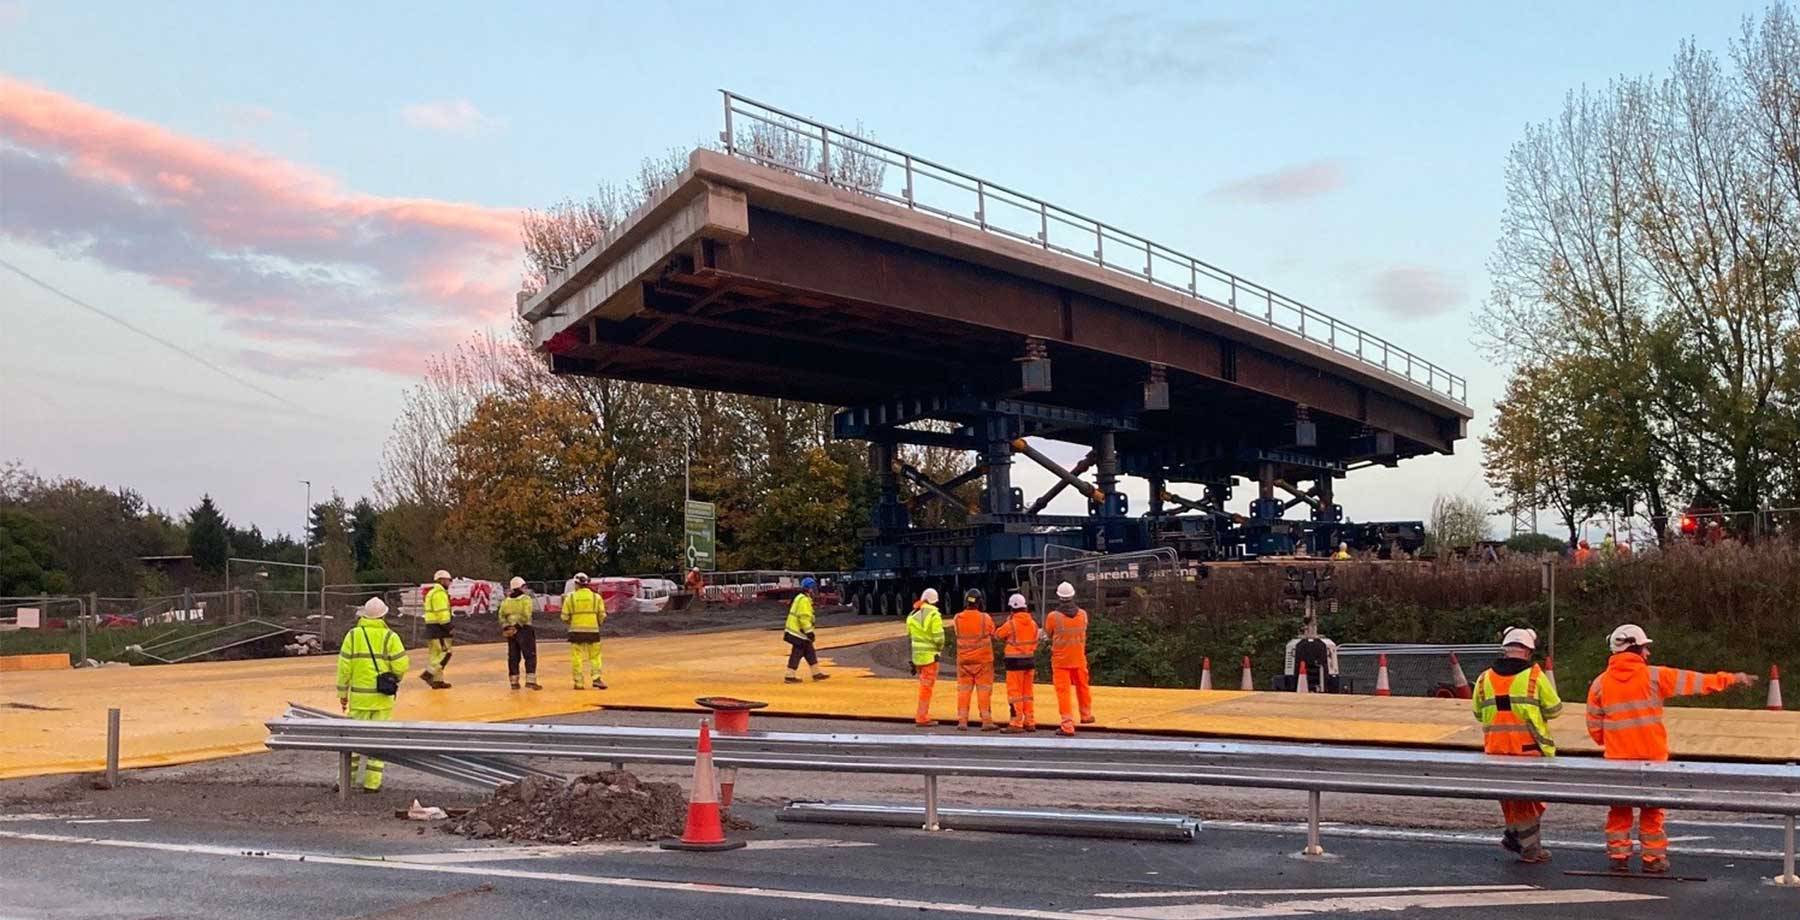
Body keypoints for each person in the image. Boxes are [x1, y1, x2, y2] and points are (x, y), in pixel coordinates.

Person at [1586, 624, 1756, 873]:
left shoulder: (1600, 683)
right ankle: (1653, 860)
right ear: (1635, 647)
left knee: (1619, 811)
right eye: (1645, 648)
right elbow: (1696, 681)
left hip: (1618, 760)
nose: (1648, 653)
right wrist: (1730, 679)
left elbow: (1593, 724)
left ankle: (1618, 857)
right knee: (1652, 811)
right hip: (1653, 759)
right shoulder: (1655, 676)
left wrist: (1609, 741)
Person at [1471, 627, 1562, 863]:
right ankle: (1529, 849)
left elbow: (1478, 713)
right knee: (1529, 803)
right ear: (1528, 651)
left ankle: (1516, 837)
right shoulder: (1533, 676)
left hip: (1496, 751)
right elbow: (1554, 709)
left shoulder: (1484, 679)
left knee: (1511, 802)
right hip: (1528, 750)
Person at [335, 597, 407, 793]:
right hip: (382, 699)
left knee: (353, 741)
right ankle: (372, 784)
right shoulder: (390, 637)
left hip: (359, 699)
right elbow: (401, 665)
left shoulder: (353, 636)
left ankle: (345, 780)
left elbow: (344, 667)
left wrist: (343, 693)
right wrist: (394, 678)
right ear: (384, 615)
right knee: (378, 742)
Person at [1043, 581, 1094, 737]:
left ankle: (1067, 725)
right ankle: (1086, 715)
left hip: (1061, 662)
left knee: (1063, 693)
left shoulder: (1053, 617)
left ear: (1059, 597)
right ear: (1072, 595)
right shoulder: (1083, 615)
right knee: (1083, 687)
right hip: (1079, 658)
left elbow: (1048, 634)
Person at [951, 588, 998, 731]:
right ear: (980, 603)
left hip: (964, 662)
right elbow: (993, 632)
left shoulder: (957, 618)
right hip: (983, 662)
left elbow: (957, 632)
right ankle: (986, 721)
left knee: (964, 691)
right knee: (984, 691)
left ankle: (962, 721)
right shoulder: (985, 618)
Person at [995, 592, 1040, 733]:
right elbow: (1035, 642)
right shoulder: (1033, 624)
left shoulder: (1011, 624)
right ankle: (1030, 721)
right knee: (1027, 693)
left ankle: (1016, 722)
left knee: (1015, 694)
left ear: (1012, 608)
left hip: (1014, 663)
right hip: (1029, 661)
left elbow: (997, 635)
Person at [561, 573, 607, 690]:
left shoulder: (570, 598)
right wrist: (597, 623)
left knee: (577, 657)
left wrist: (572, 622)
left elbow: (564, 617)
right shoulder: (596, 597)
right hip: (593, 632)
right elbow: (602, 615)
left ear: (576, 584)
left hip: (576, 632)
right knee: (595, 657)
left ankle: (579, 683)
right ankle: (596, 679)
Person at [907, 588, 945, 727]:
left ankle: (922, 714)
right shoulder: (934, 614)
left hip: (917, 658)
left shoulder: (912, 615)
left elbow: (910, 636)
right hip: (930, 657)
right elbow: (938, 637)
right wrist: (939, 649)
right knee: (926, 688)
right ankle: (922, 717)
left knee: (924, 686)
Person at [783, 577, 829, 684]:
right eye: (813, 588)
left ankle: (816, 673)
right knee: (797, 652)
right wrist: (809, 632)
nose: (814, 590)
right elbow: (803, 618)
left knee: (809, 652)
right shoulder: (803, 600)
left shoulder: (801, 598)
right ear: (808, 589)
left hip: (797, 632)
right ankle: (789, 676)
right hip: (798, 632)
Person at [498, 576, 540, 691]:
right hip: (524, 630)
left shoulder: (506, 601)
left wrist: (507, 628)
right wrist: (517, 627)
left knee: (513, 657)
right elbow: (526, 615)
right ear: (521, 587)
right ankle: (531, 681)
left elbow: (501, 616)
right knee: (530, 655)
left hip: (511, 632)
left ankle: (514, 682)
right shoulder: (525, 599)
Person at [419, 569, 453, 689]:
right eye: (448, 580)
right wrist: (448, 627)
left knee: (435, 655)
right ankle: (429, 674)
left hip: (431, 628)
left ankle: (437, 681)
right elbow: (442, 613)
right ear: (442, 580)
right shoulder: (439, 594)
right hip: (439, 629)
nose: (449, 583)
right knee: (445, 654)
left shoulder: (431, 593)